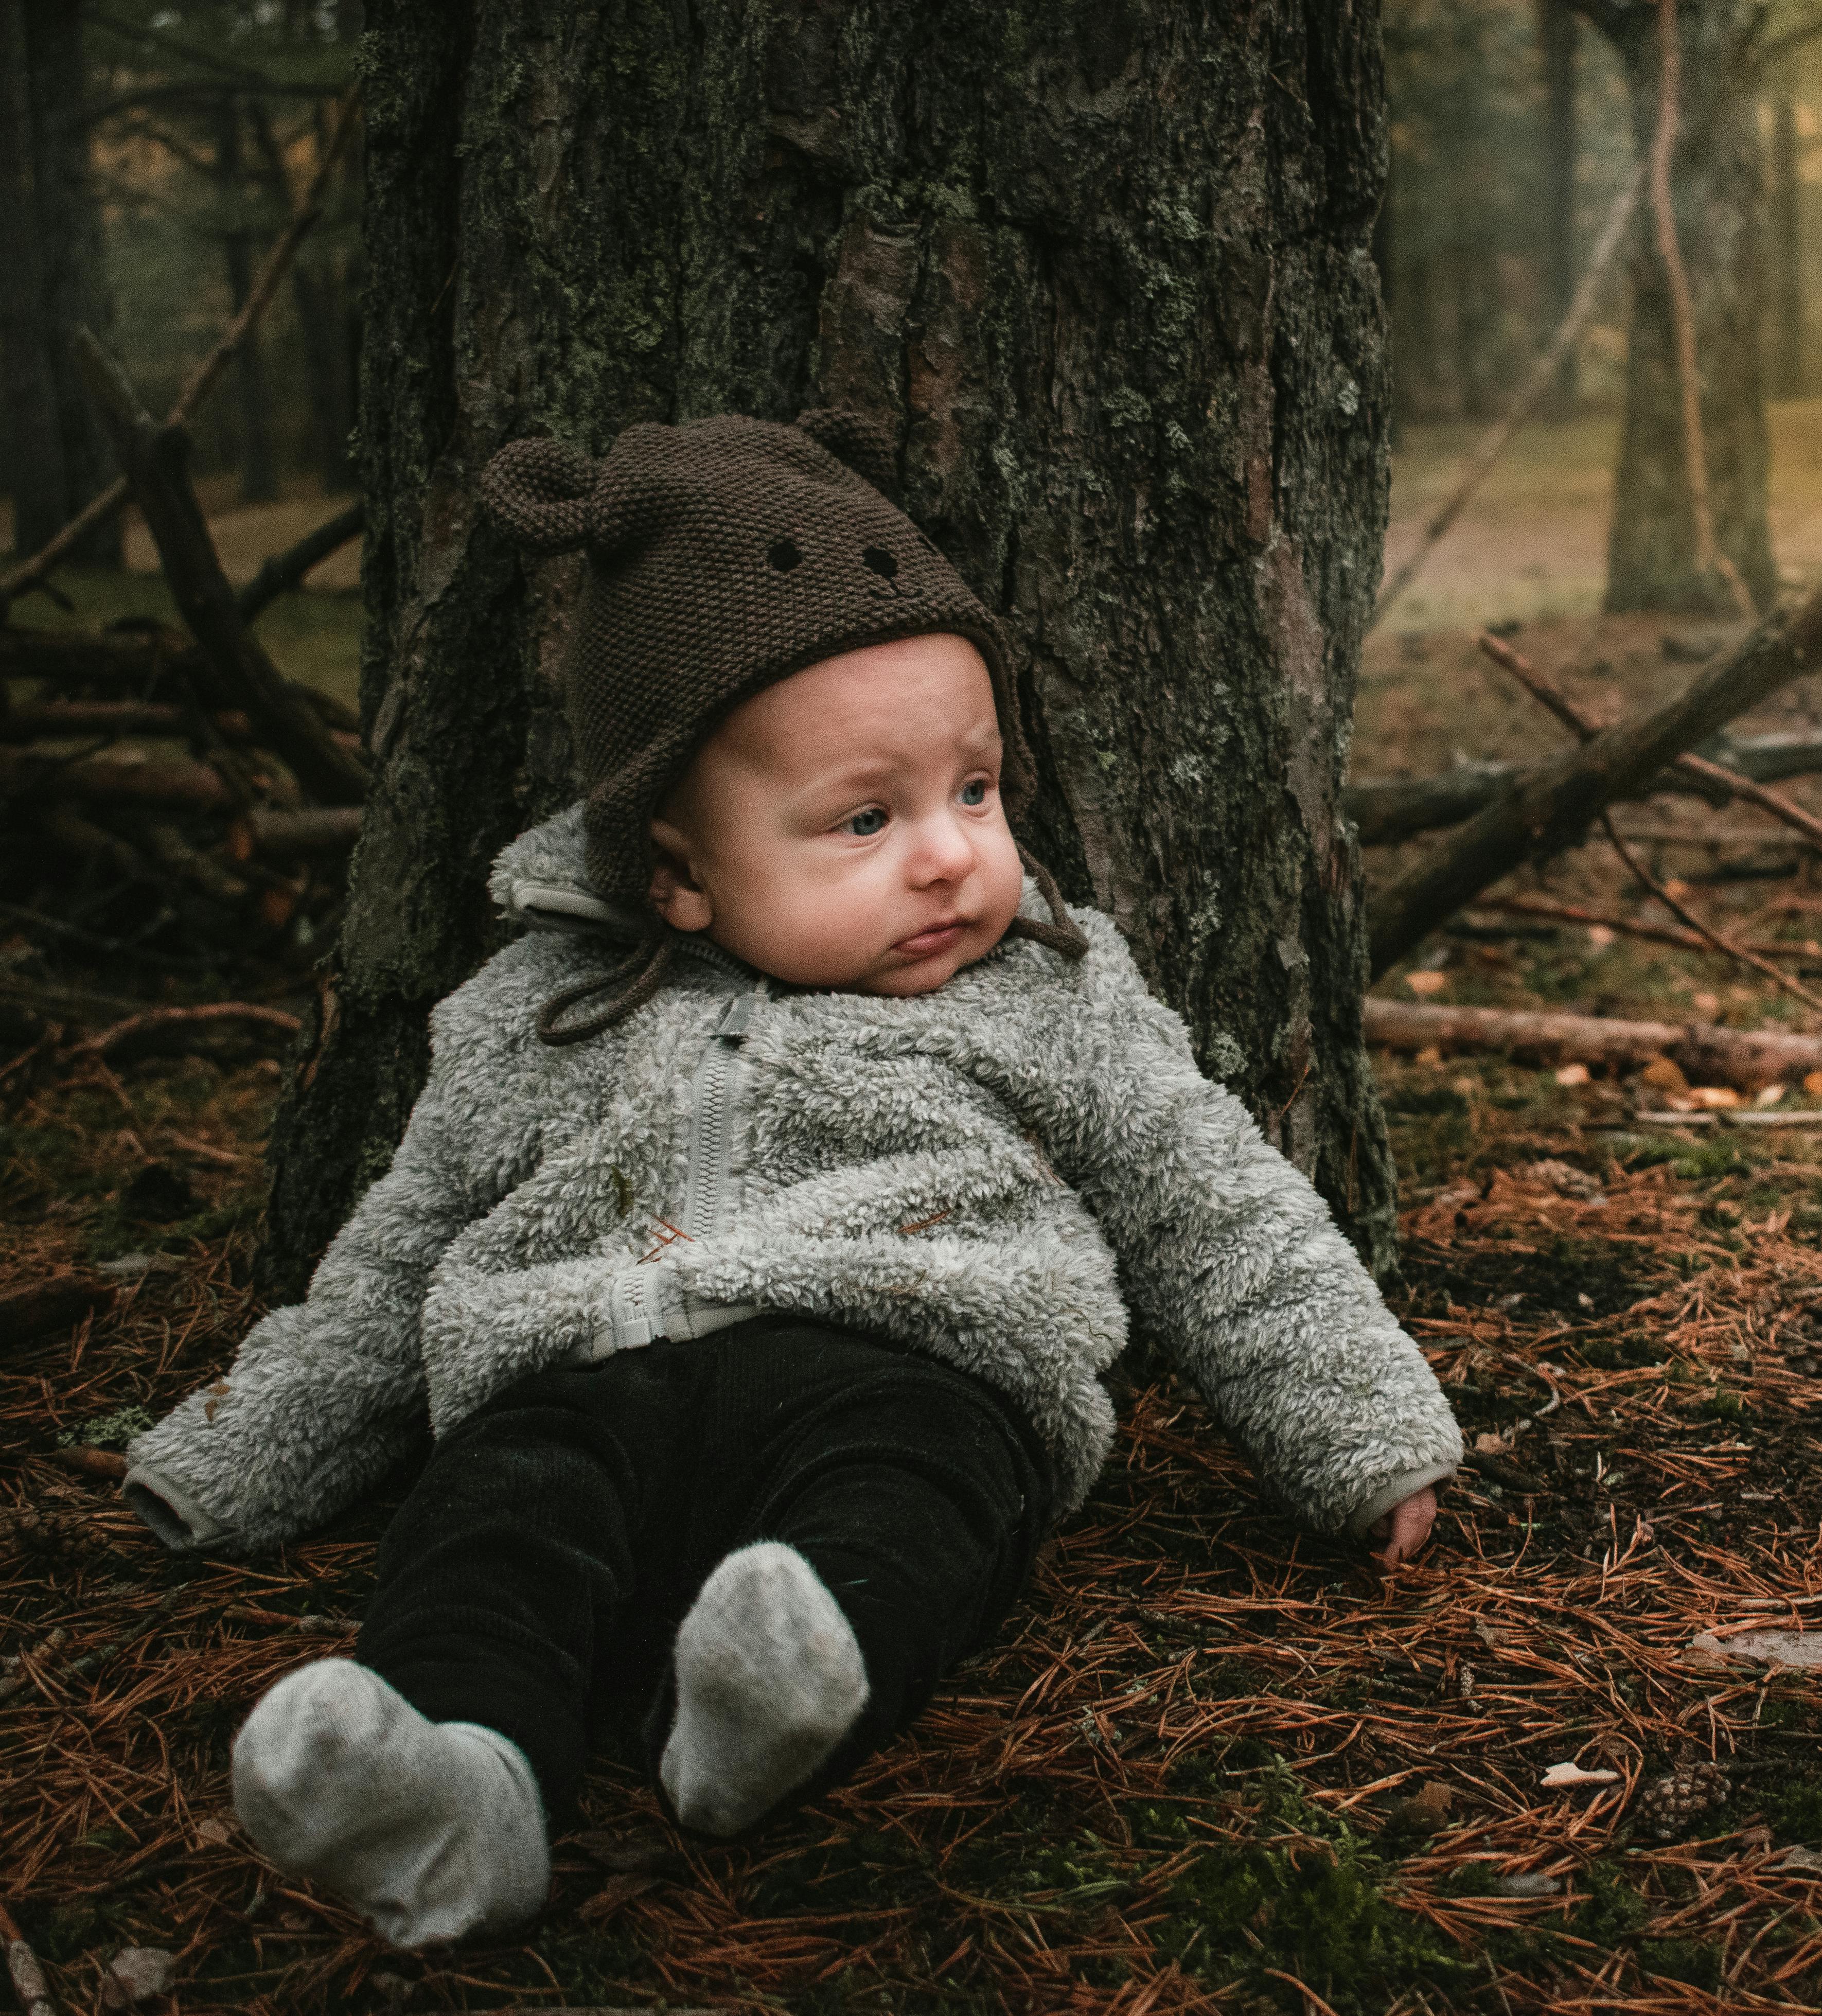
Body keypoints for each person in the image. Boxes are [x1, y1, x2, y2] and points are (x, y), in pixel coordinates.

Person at [120, 411, 1460, 1950]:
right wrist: (240, 1456)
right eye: (867, 819)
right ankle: (461, 1784)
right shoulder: (538, 1015)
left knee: (908, 1516)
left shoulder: (1048, 993)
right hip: (578, 1375)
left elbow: (1217, 1206)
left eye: (976, 790)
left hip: (911, 1364)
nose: (950, 856)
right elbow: (399, 1253)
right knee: (487, 1531)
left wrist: (1361, 1435)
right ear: (678, 872)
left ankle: (775, 1703)